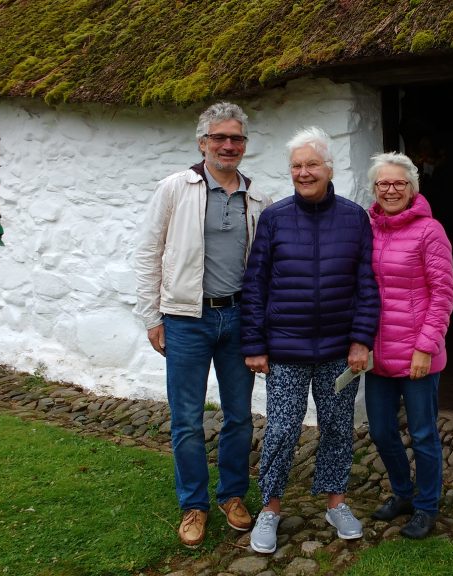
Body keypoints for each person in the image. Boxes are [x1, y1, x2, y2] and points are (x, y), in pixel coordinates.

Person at [134, 102, 271, 548]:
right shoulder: (176, 188)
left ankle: (232, 495)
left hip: (239, 317)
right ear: (202, 143)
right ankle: (193, 504)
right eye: (219, 138)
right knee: (188, 420)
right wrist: (152, 317)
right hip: (187, 318)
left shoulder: (256, 197)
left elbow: (264, 268)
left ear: (244, 145)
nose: (228, 146)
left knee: (238, 417)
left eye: (236, 139)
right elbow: (148, 253)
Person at [241, 126, 380, 554]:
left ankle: (335, 502)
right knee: (282, 430)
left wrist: (361, 340)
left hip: (339, 350)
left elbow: (366, 284)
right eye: (297, 166)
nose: (303, 172)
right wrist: (254, 344)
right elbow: (255, 284)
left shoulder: (355, 217)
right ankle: (270, 508)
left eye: (311, 164)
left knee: (338, 428)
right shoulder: (275, 217)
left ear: (329, 168)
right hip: (285, 349)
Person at [363, 152, 453, 539]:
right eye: (383, 183)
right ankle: (402, 492)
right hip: (377, 353)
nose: (391, 189)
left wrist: (426, 346)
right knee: (382, 431)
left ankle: (427, 506)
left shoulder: (429, 231)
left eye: (399, 183)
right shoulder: (367, 229)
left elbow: (443, 293)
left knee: (422, 434)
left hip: (418, 353)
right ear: (374, 189)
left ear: (412, 188)